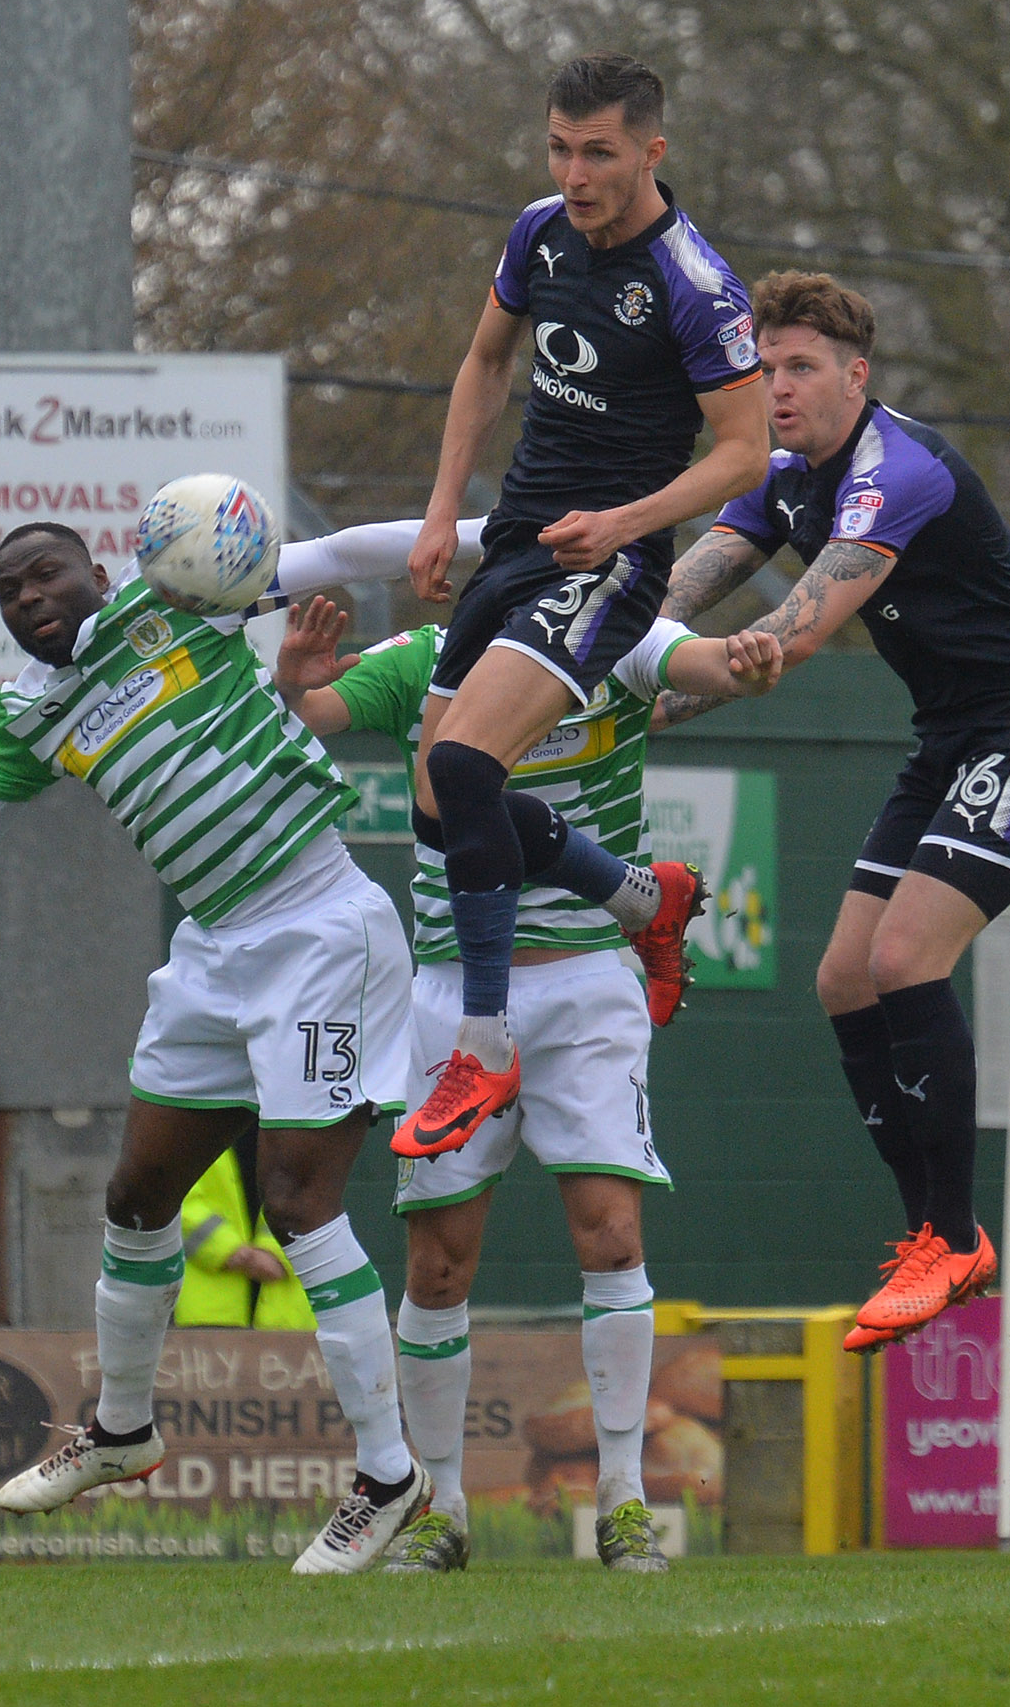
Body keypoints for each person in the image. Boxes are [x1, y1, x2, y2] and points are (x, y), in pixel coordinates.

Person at [0, 513, 486, 1573]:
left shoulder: (176, 601)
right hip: (213, 950)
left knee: (301, 1203)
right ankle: (123, 1428)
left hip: (319, 928)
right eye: (9, 590)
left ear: (94, 566)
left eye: (47, 573)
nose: (31, 596)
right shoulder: (33, 710)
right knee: (134, 1198)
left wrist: (499, 528)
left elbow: (347, 551)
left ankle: (390, 1475)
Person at [271, 597, 778, 1572]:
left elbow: (702, 663)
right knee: (439, 1264)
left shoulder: (619, 635)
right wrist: (298, 674)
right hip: (449, 987)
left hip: (587, 978)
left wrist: (745, 658)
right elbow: (318, 715)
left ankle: (622, 1501)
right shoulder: (425, 656)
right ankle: (443, 1510)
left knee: (612, 1232)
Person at [654, 271, 1010, 1351]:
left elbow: (796, 632)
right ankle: (930, 1237)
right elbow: (678, 595)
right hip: (948, 739)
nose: (779, 386)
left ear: (858, 376)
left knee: (905, 957)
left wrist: (661, 687)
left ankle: (955, 1233)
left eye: (802, 366)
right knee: (842, 976)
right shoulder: (781, 475)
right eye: (764, 368)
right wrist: (597, 654)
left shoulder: (893, 473)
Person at [397, 53, 771, 1162]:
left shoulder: (700, 286)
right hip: (519, 540)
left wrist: (627, 522)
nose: (575, 171)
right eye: (560, 147)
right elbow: (484, 360)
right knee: (436, 810)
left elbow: (746, 456)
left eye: (598, 151)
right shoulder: (538, 232)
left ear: (652, 150)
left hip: (606, 563)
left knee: (470, 772)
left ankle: (485, 1039)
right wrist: (438, 509)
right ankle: (637, 897)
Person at [175, 1129, 311, 1331]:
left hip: (285, 1316)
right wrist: (236, 1253)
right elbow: (173, 1202)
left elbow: (310, 1198)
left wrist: (273, 1251)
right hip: (211, 1315)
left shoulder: (301, 1130)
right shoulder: (188, 1129)